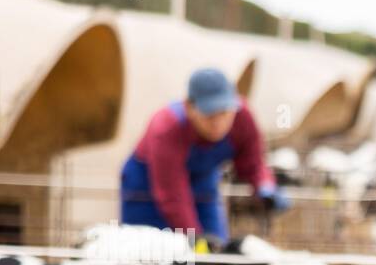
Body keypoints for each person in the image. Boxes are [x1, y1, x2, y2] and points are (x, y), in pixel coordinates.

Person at [120, 67, 289, 248]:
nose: (218, 123)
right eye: (209, 114)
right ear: (189, 107)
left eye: (224, 112)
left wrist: (265, 187)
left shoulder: (243, 118)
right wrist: (195, 239)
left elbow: (253, 162)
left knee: (216, 251)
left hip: (203, 183)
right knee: (148, 254)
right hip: (147, 187)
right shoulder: (167, 128)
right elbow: (172, 195)